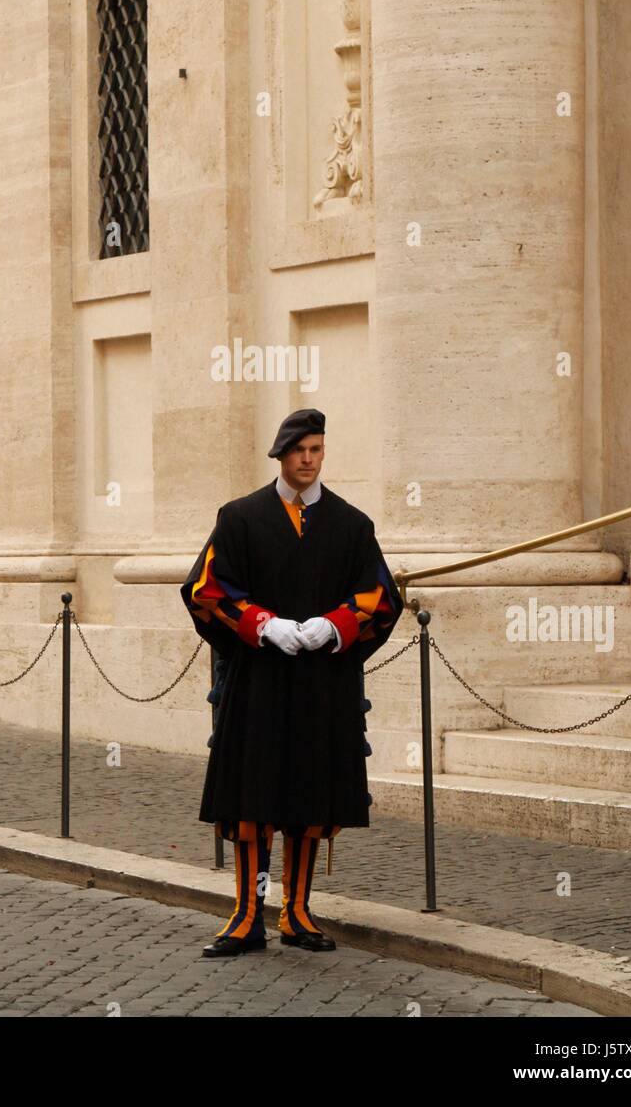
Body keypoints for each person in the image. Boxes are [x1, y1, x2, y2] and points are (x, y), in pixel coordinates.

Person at [180, 408, 404, 956]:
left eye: (317, 449)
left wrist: (335, 625)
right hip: (258, 682)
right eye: (300, 450)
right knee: (253, 800)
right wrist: (263, 625)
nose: (309, 459)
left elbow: (381, 596)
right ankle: (246, 915)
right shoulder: (240, 518)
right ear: (281, 454)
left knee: (310, 800)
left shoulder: (353, 525)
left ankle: (298, 912)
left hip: (322, 685)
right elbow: (205, 589)